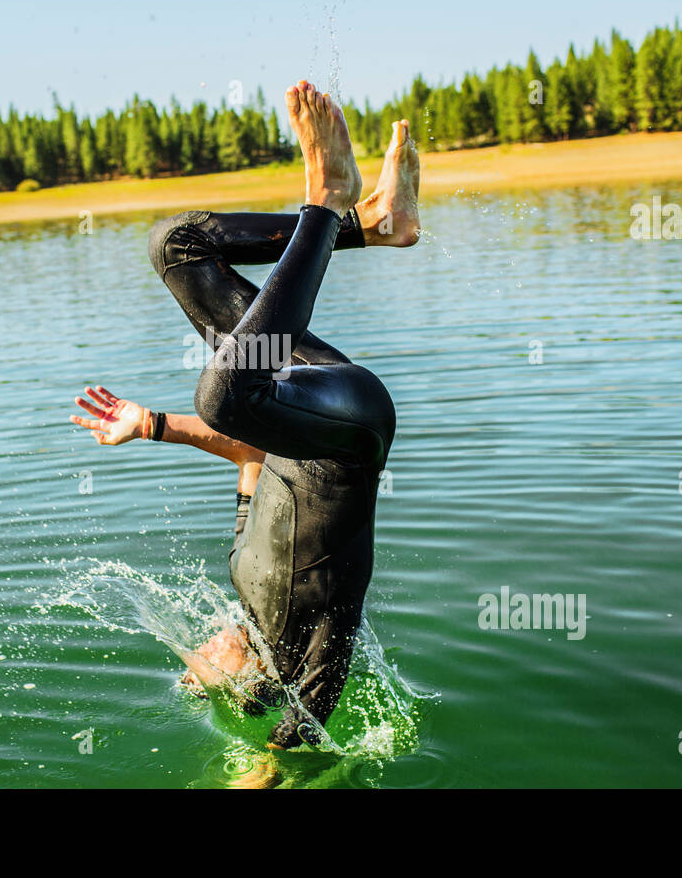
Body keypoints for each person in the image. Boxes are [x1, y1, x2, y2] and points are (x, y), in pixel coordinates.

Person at [70, 80, 420, 757]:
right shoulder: (306, 650)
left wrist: (149, 425)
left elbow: (246, 454)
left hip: (295, 396)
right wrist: (267, 769)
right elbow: (296, 748)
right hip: (352, 426)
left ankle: (374, 226)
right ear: (247, 680)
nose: (200, 650)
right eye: (206, 667)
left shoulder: (240, 571)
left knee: (176, 246)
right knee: (224, 393)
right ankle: (326, 199)